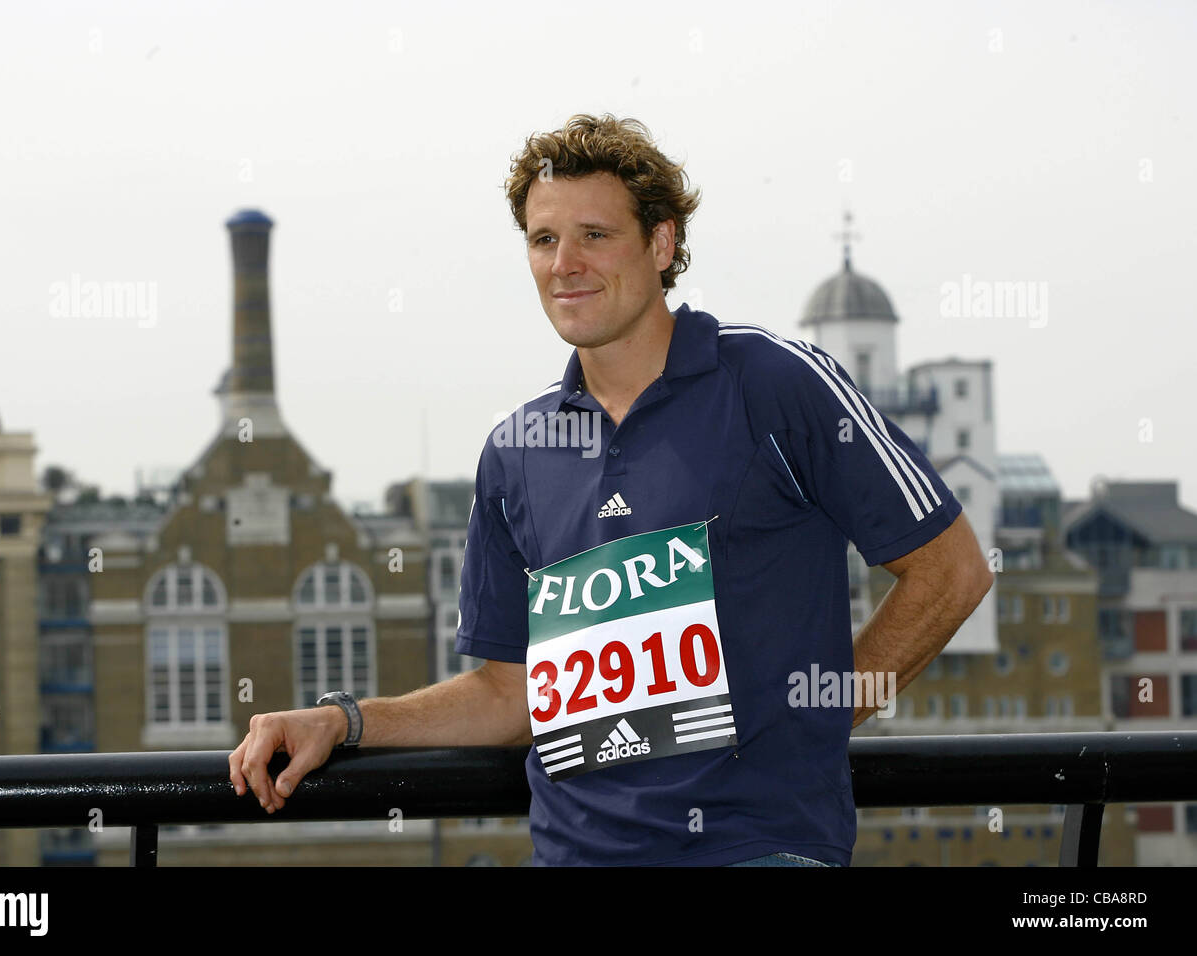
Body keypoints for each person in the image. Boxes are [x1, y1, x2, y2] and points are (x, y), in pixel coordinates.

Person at [229, 113, 994, 866]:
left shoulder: (773, 384)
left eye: (594, 235)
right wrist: (344, 721)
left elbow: (952, 570)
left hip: (753, 850)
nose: (565, 263)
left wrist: (816, 714)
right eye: (544, 239)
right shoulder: (516, 451)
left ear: (661, 244)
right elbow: (509, 696)